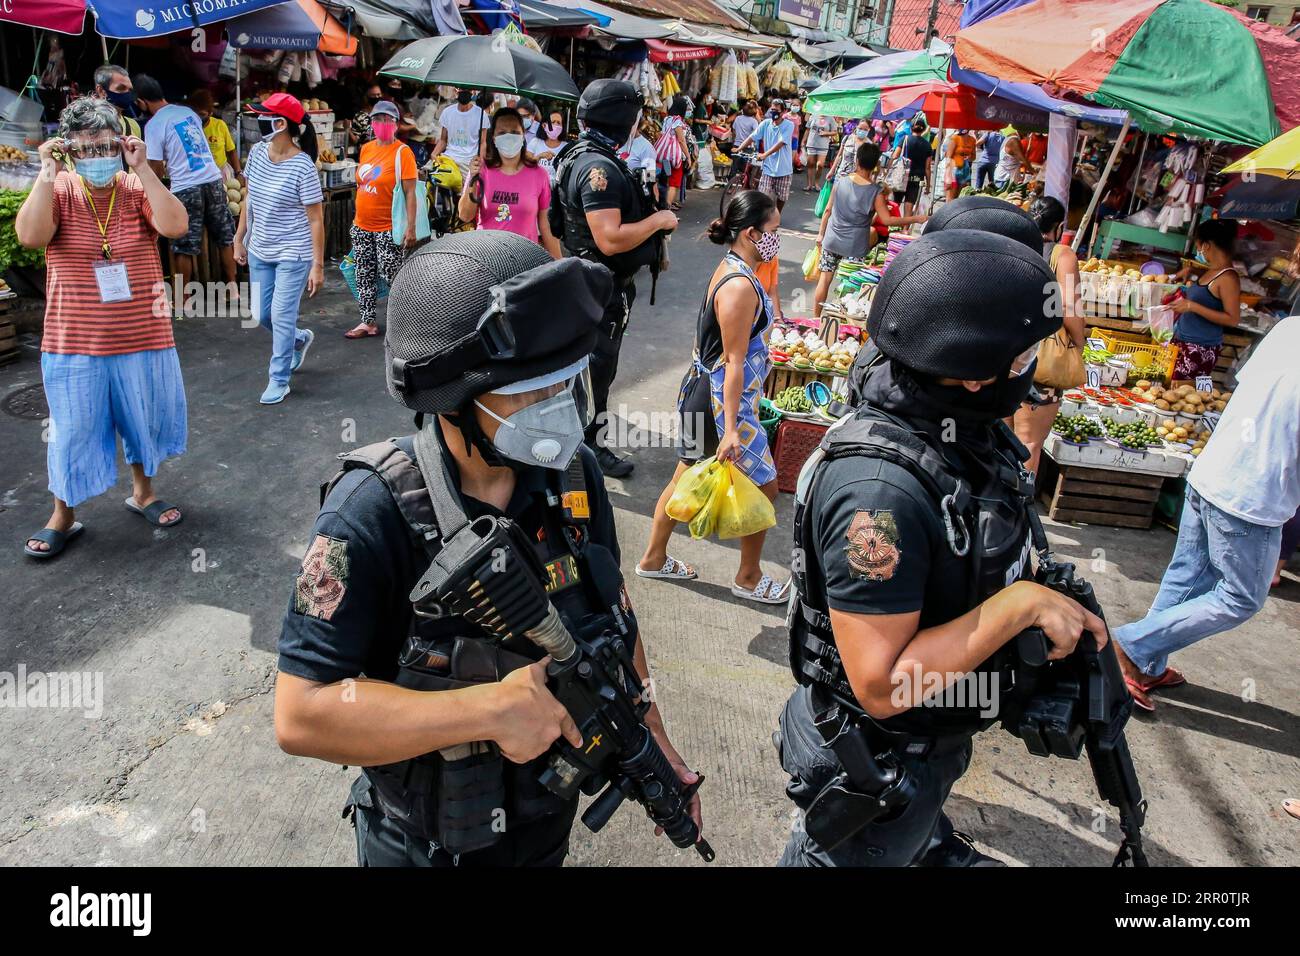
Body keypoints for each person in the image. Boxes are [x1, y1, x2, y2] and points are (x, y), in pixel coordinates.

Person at [274, 230, 703, 866]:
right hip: (424, 846)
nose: (556, 407)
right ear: (451, 396)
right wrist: (484, 711)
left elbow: (614, 609)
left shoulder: (574, 476)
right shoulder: (369, 512)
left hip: (541, 832)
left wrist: (650, 729)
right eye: (531, 389)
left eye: (565, 384)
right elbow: (301, 714)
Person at [776, 228, 1105, 867]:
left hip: (928, 741)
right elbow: (881, 684)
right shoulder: (879, 495)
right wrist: (1021, 605)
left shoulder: (953, 425)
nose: (1031, 370)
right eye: (1022, 358)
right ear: (973, 375)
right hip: (874, 761)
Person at [16, 97, 189, 558]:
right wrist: (46, 172)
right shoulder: (59, 188)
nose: (97, 156)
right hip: (74, 340)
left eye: (105, 146)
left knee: (142, 420)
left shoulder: (134, 186)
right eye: (86, 147)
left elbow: (176, 225)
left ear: (121, 143)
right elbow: (31, 236)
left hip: (142, 335)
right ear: (68, 148)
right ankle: (63, 513)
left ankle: (143, 493)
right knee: (71, 431)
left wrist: (143, 168)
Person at [1113, 315, 1300, 712]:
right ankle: (1130, 645)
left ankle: (1143, 664)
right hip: (1250, 497)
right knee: (1241, 597)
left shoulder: (1290, 329)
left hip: (1213, 470)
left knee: (1186, 577)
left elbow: (1253, 392)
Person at [637, 191, 790, 604]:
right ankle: (748, 577)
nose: (777, 238)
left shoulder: (736, 269)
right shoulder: (739, 286)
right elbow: (733, 362)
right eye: (774, 230)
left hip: (703, 396)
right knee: (766, 486)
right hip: (721, 405)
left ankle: (653, 558)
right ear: (751, 233)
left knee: (683, 478)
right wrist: (732, 430)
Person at [552, 79, 678, 479]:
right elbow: (609, 238)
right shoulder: (598, 167)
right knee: (595, 371)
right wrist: (660, 220)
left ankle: (578, 446)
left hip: (586, 282)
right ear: (624, 119)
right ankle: (586, 452)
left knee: (585, 369)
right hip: (598, 287)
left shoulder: (579, 154)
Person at [233, 93, 324, 405]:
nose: (259, 121)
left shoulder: (303, 167)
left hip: (293, 253)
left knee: (282, 316)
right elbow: (249, 197)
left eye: (265, 116)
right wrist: (240, 237)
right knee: (261, 314)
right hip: (260, 248)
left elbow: (316, 219)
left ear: (281, 124)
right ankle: (298, 339)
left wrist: (317, 265)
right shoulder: (258, 153)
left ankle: (279, 379)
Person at [135, 73, 237, 305]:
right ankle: (233, 288)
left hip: (185, 187)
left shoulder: (154, 125)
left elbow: (156, 168)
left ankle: (183, 297)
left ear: (141, 102)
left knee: (184, 244)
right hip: (213, 180)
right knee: (224, 236)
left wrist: (153, 189)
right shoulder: (188, 113)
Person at [1013, 196, 1086, 475]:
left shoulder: (1015, 247)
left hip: (1005, 354)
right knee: (1029, 442)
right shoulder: (1062, 255)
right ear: (1059, 227)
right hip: (1038, 362)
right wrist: (1078, 342)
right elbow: (1068, 306)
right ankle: (1019, 500)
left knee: (1001, 436)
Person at [813, 143, 926, 318]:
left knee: (825, 279)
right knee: (850, 285)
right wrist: (916, 219)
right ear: (875, 164)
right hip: (855, 245)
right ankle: (843, 322)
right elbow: (887, 220)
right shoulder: (875, 192)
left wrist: (821, 233)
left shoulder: (841, 181)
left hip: (832, 238)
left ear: (857, 160)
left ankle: (815, 318)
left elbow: (828, 210)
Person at [345, 101, 418, 340]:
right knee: (364, 273)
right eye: (377, 119)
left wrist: (410, 227)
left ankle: (403, 320)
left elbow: (410, 192)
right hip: (362, 224)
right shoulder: (366, 149)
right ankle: (368, 322)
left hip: (388, 226)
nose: (382, 124)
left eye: (388, 119)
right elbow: (362, 183)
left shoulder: (402, 152)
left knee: (392, 274)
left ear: (396, 124)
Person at [459, 107, 561, 259]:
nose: (509, 137)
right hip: (487, 258)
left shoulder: (539, 175)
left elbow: (545, 225)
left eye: (514, 132)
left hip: (525, 260)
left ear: (523, 135)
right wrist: (473, 180)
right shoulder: (481, 170)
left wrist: (559, 263)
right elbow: (465, 216)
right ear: (494, 138)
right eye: (502, 133)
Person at [1170, 219, 1241, 381]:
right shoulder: (1213, 271)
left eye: (1198, 246)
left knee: (1183, 393)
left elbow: (1233, 319)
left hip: (1199, 349)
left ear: (1206, 246)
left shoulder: (1228, 278)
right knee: (1167, 389)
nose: (1198, 251)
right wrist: (1192, 271)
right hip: (1183, 342)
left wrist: (1192, 306)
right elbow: (1208, 290)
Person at [736, 99, 794, 212]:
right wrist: (739, 148)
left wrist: (764, 155)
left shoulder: (789, 125)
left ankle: (777, 214)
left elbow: (781, 143)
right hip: (768, 168)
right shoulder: (766, 123)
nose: (774, 112)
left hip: (784, 168)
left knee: (782, 197)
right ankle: (762, 217)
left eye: (776, 110)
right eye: (772, 110)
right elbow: (752, 136)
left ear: (783, 112)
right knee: (763, 196)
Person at [432, 88, 487, 189]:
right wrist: (434, 154)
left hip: (469, 162)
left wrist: (481, 162)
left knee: (468, 193)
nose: (465, 92)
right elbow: (443, 140)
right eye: (462, 88)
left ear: (473, 92)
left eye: (468, 89)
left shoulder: (481, 114)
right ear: (456, 90)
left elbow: (483, 142)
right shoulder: (447, 112)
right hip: (449, 159)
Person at [188, 88, 242, 185]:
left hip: (221, 173)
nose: (198, 117)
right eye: (195, 114)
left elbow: (231, 151)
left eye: (202, 114)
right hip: (198, 175)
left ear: (210, 113)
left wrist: (238, 172)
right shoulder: (188, 127)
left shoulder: (219, 125)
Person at [656, 95, 691, 211]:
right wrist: (688, 157)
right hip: (674, 157)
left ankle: (661, 206)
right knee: (674, 182)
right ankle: (667, 209)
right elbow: (681, 140)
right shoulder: (677, 121)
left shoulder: (667, 119)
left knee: (664, 180)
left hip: (665, 156)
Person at [895, 118, 934, 216]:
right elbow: (927, 168)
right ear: (923, 129)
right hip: (916, 178)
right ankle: (905, 225)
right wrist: (928, 185)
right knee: (909, 205)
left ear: (911, 128)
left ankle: (893, 223)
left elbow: (895, 156)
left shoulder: (905, 139)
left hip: (901, 176)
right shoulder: (927, 145)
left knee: (895, 203)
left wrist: (888, 171)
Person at [92, 65, 141, 139]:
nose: (127, 93)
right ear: (101, 91)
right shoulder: (88, 123)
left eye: (130, 90)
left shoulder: (133, 125)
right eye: (121, 88)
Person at [528, 109, 567, 178]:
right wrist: (539, 156)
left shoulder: (566, 148)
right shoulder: (535, 142)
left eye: (558, 123)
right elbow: (526, 166)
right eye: (552, 122)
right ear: (544, 125)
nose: (555, 125)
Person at [802, 111, 832, 192]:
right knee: (810, 164)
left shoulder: (830, 118)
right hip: (811, 144)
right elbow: (807, 130)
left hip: (823, 145)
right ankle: (809, 185)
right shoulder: (813, 116)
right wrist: (803, 141)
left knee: (820, 165)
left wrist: (826, 133)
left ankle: (816, 183)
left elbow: (835, 132)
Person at [943, 129, 976, 201]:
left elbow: (973, 157)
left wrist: (969, 157)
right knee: (951, 197)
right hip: (954, 170)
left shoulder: (972, 140)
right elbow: (948, 157)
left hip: (965, 170)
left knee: (961, 197)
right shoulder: (955, 138)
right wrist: (948, 175)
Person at [349, 83, 384, 150]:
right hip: (368, 153)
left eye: (378, 94)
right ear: (366, 97)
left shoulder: (385, 114)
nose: (377, 97)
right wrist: (348, 129)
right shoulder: (360, 117)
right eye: (373, 95)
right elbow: (355, 140)